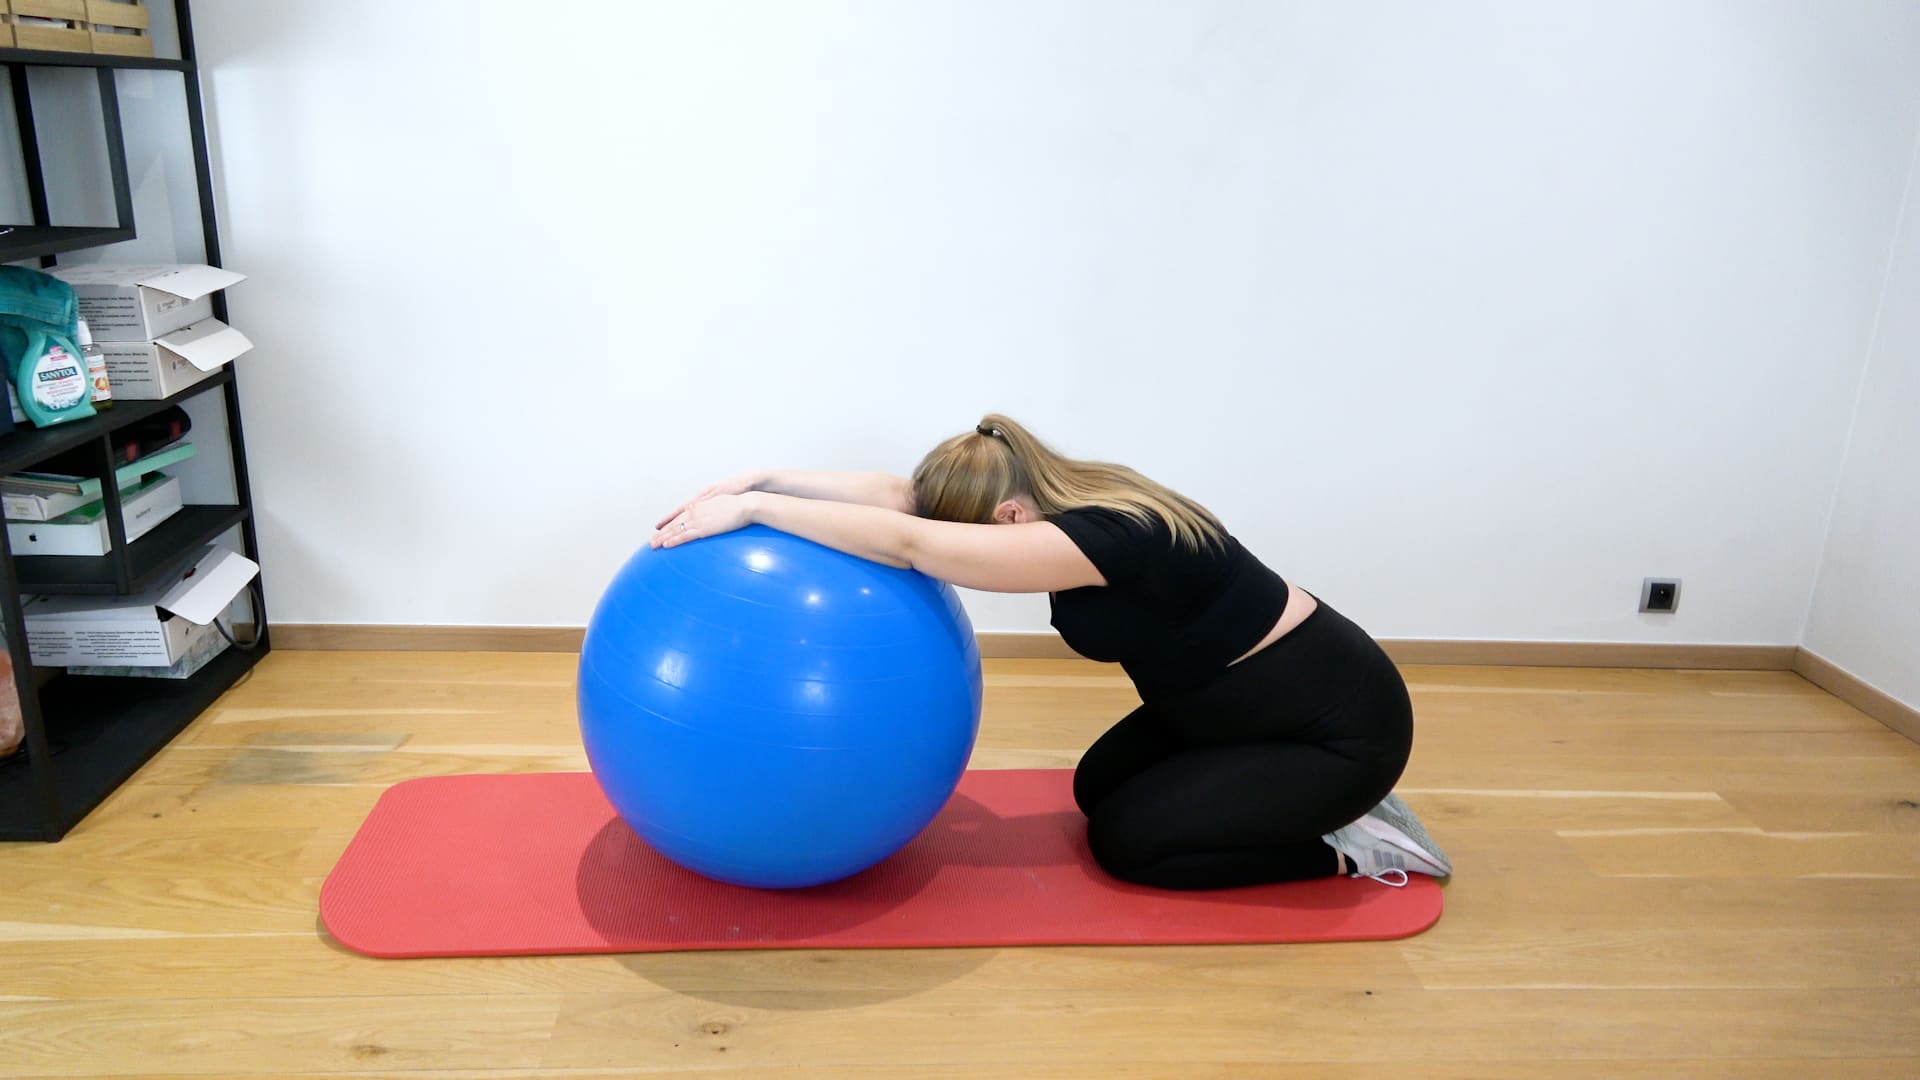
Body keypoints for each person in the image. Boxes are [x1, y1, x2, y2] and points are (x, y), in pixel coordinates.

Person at [654, 414, 1451, 889]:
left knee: (1131, 847)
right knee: (1098, 788)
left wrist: (756, 510)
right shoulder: (1055, 493)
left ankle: (1352, 846)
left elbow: (905, 542)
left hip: (1335, 728)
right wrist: (764, 480)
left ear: (1006, 514)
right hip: (1223, 714)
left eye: (972, 534)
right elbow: (902, 501)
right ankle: (1291, 801)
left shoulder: (1108, 536)